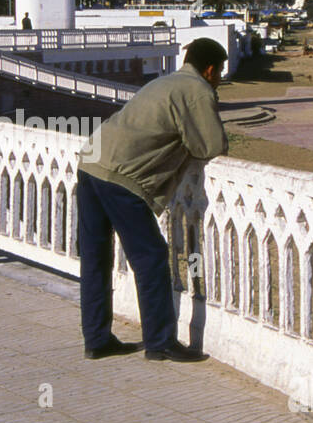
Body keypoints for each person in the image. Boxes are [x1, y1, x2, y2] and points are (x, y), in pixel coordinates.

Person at [77, 37, 230, 363]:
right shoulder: (198, 90)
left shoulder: (165, 81)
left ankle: (96, 339)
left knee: (95, 257)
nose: (219, 80)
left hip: (91, 163)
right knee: (151, 258)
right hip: (121, 178)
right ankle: (160, 342)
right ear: (210, 69)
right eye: (220, 74)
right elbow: (212, 145)